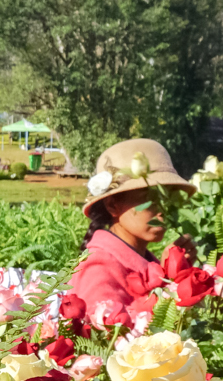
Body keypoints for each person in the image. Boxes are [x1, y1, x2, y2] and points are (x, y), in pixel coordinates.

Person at [67, 138, 196, 327]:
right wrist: (168, 280)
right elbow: (107, 334)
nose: (162, 210)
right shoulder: (98, 266)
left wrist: (176, 275)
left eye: (167, 199)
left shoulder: (143, 258)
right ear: (112, 205)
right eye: (149, 199)